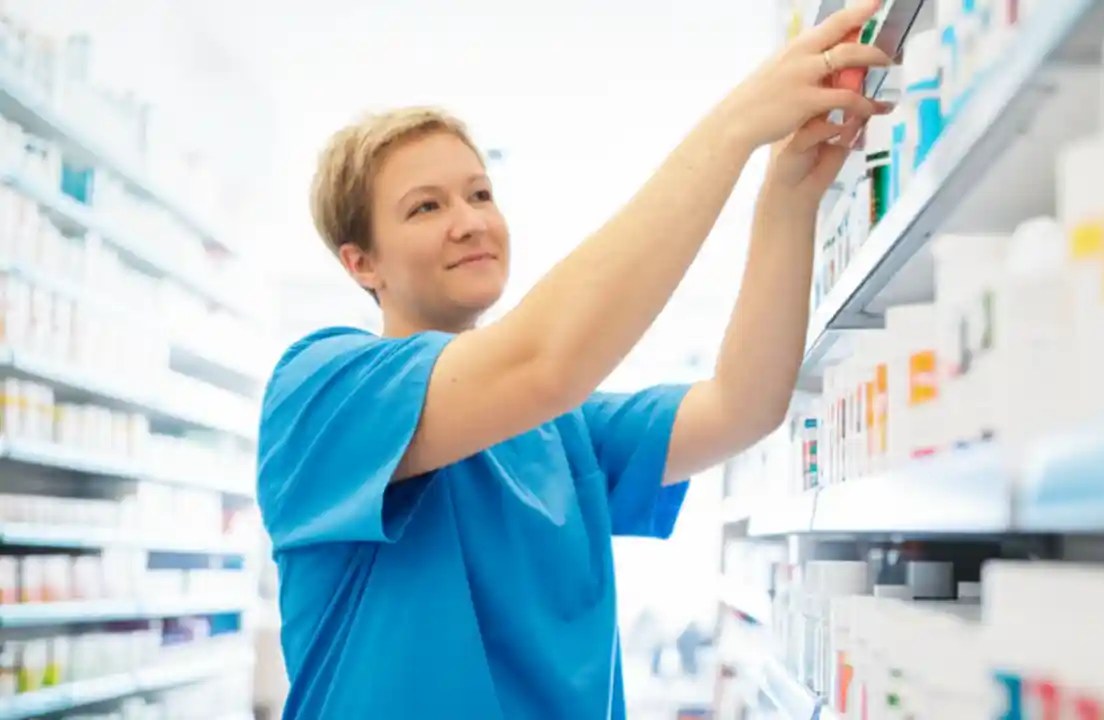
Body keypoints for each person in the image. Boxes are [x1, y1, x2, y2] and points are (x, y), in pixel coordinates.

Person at [256, 4, 891, 718]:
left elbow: (741, 405)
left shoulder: (559, 429)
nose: (470, 220)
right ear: (361, 262)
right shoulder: (321, 392)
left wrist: (789, 196)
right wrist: (736, 125)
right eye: (425, 208)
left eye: (480, 193)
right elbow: (546, 358)